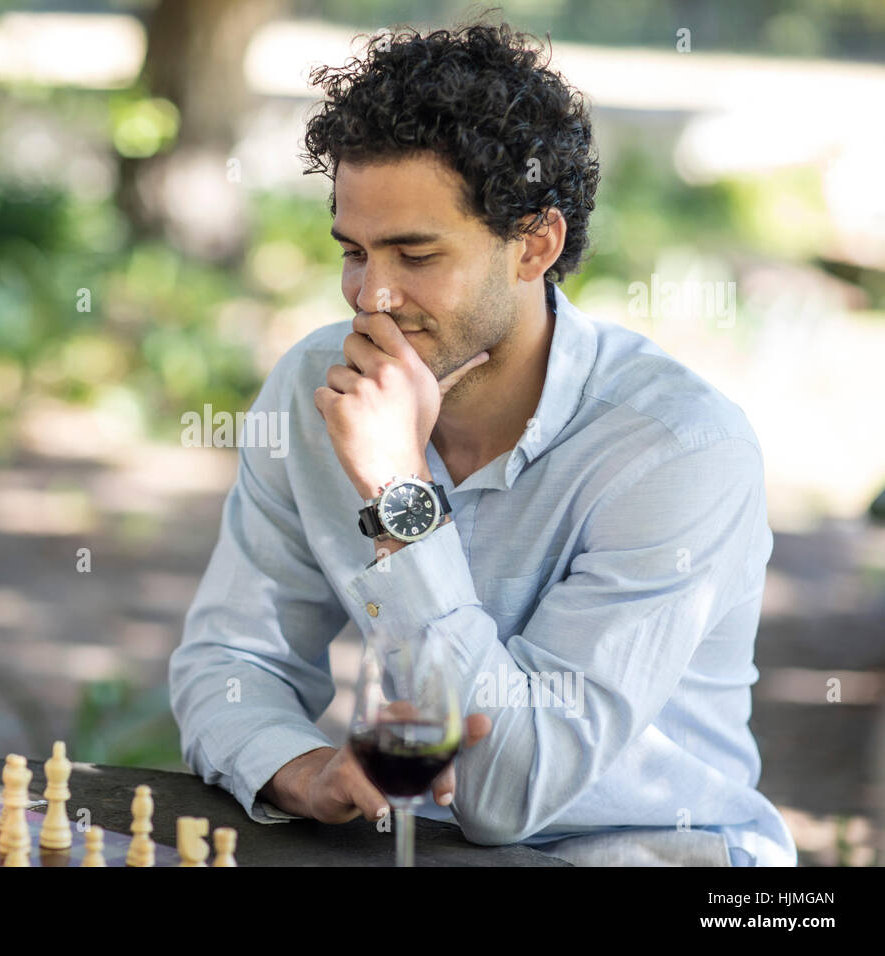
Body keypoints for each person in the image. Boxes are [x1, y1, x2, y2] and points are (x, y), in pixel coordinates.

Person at [169, 23, 797, 866]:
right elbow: (229, 659)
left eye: (416, 254)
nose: (372, 296)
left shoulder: (681, 451)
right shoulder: (313, 387)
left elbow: (506, 791)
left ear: (535, 243)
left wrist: (400, 497)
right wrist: (301, 768)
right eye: (354, 253)